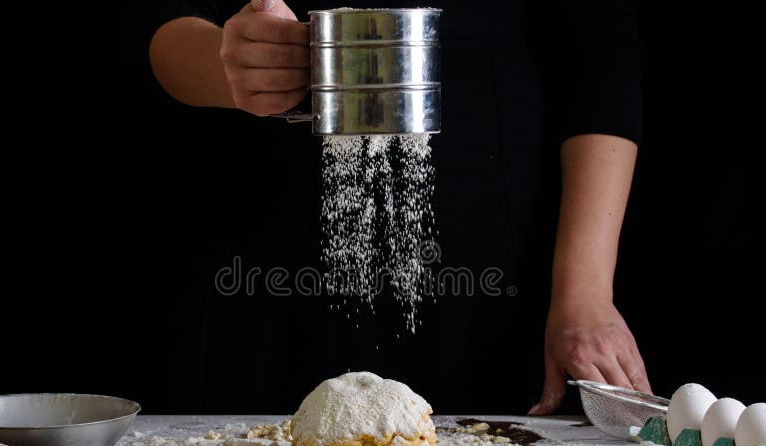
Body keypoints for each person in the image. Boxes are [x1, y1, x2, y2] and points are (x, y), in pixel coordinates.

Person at [144, 0, 652, 415]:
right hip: (265, 262)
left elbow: (599, 52)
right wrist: (231, 61)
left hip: (491, 265)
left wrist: (586, 293)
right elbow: (156, 24)